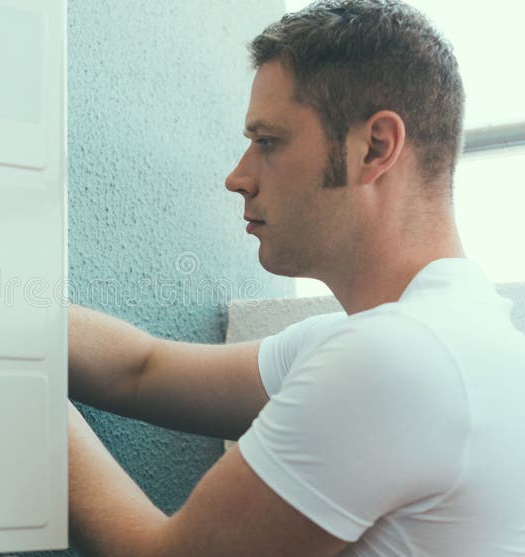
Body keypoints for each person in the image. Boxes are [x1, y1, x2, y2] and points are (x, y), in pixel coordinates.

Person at [67, 0, 525, 555]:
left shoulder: (398, 358)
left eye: (268, 142)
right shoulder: (444, 338)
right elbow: (141, 369)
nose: (238, 177)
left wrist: (12, 388)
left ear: (375, 147)